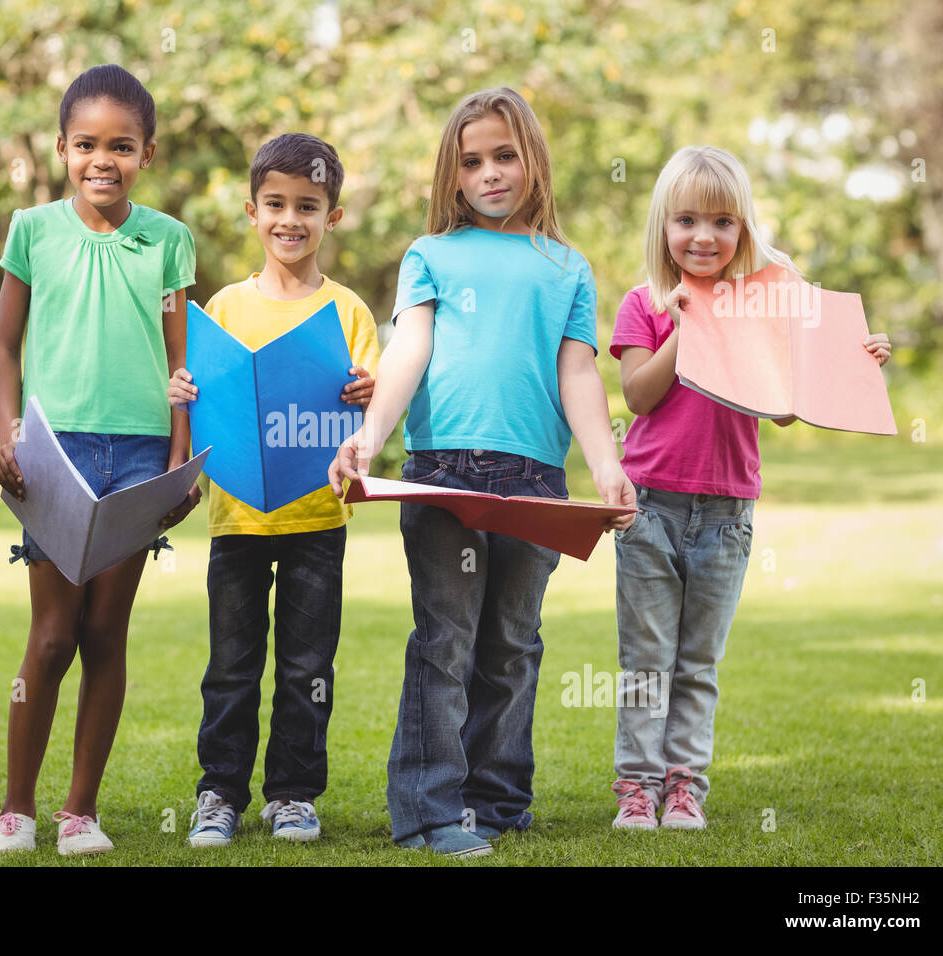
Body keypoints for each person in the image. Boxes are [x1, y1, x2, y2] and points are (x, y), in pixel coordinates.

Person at [329, 88, 635, 857]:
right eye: (473, 162)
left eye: (505, 155)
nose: (491, 173)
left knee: (512, 642)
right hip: (443, 475)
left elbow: (578, 373)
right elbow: (409, 351)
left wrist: (606, 465)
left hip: (535, 480)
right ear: (453, 174)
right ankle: (431, 811)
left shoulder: (567, 267)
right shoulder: (432, 254)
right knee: (445, 641)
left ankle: (497, 801)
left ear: (533, 157)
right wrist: (371, 436)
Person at [608, 145, 891, 830]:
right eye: (686, 221)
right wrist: (686, 325)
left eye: (722, 222)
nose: (703, 237)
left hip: (727, 512)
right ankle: (637, 789)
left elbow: (787, 405)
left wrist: (849, 360)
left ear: (742, 230)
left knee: (698, 661)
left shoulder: (762, 306)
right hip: (650, 508)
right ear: (663, 226)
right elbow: (640, 396)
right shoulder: (645, 303)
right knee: (647, 659)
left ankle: (684, 788)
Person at [0, 64, 198, 855]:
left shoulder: (170, 240)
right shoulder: (32, 230)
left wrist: (181, 461)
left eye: (121, 146)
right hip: (55, 454)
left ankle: (80, 811)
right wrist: (13, 439)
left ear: (147, 151)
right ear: (62, 147)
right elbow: (4, 349)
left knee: (108, 631)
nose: (101, 160)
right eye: (85, 144)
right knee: (52, 635)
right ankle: (15, 809)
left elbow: (182, 365)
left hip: (143, 457)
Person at [168, 133, 379, 846]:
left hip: (317, 516)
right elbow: (194, 401)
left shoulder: (348, 313)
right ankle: (219, 791)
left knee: (306, 666)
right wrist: (181, 392)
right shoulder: (221, 308)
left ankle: (292, 792)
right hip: (236, 520)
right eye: (277, 204)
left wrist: (370, 395)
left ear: (333, 216)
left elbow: (376, 404)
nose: (291, 220)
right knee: (230, 666)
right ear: (252, 212)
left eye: (309, 207)